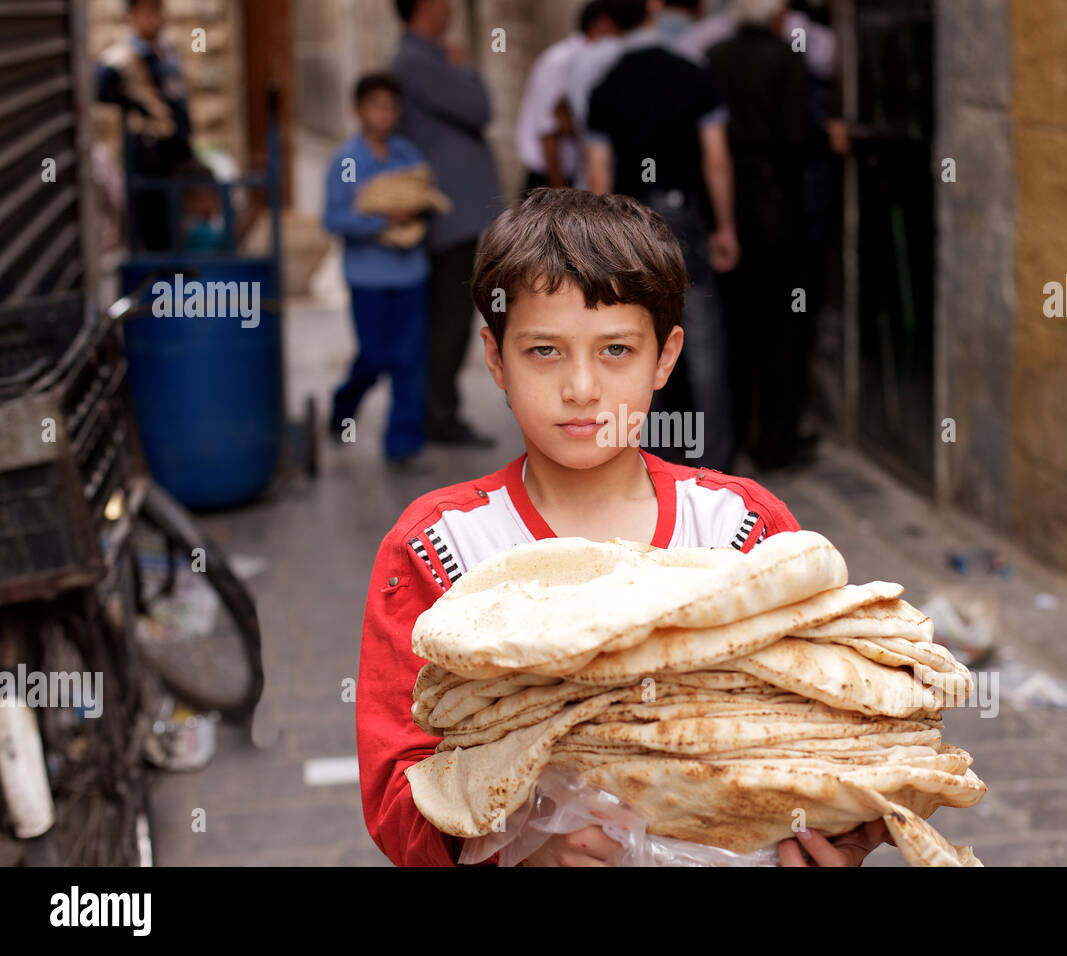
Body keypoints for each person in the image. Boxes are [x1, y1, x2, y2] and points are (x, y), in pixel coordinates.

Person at [355, 188, 893, 867]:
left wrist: (831, 837)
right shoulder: (440, 550)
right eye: (544, 351)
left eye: (615, 350)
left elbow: (817, 727)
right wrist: (524, 851)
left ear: (665, 357)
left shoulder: (744, 534)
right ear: (494, 358)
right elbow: (396, 789)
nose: (582, 388)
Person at [584, 0, 739, 473]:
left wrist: (599, 243)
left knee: (634, 341)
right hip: (684, 217)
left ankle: (645, 462)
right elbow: (716, 158)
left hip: (628, 223)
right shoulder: (692, 72)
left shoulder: (605, 84)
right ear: (652, 11)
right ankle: (713, 466)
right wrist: (725, 225)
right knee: (704, 341)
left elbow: (598, 174)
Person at [706, 0, 815, 471]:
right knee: (782, 331)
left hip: (728, 201)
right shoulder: (786, 58)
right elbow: (795, 137)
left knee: (734, 328)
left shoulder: (714, 55)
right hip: (775, 207)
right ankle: (775, 442)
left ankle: (728, 443)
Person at [391, 0, 500, 448]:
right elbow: (479, 107)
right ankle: (440, 416)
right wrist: (464, 69)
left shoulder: (423, 58)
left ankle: (438, 412)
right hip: (448, 216)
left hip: (456, 213)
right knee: (448, 320)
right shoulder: (419, 59)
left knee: (449, 318)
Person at [323, 74, 432, 470]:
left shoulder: (408, 156)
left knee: (409, 360)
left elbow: (425, 197)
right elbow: (335, 218)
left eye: (390, 107)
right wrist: (382, 220)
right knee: (374, 356)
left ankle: (402, 445)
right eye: (375, 106)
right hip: (368, 277)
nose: (383, 115)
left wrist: (414, 210)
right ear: (359, 110)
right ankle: (343, 408)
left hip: (410, 275)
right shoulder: (347, 162)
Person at [95, 0, 193, 252]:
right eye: (148, 13)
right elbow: (99, 90)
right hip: (147, 156)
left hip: (174, 154)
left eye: (158, 12)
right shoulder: (120, 59)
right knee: (151, 226)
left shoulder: (167, 52)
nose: (156, 20)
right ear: (132, 16)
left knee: (175, 224)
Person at [515, 1, 616, 196]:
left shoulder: (582, 57)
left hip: (567, 178)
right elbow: (548, 131)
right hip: (550, 179)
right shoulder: (562, 60)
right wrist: (559, 194)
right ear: (601, 24)